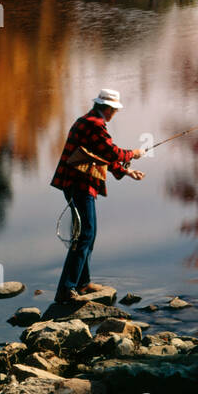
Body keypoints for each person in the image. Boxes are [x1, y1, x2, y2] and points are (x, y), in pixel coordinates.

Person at [50, 89, 145, 305]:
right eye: (114, 110)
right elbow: (112, 152)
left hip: (77, 184)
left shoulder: (87, 121)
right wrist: (133, 154)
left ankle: (83, 283)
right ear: (108, 109)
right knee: (85, 235)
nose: (115, 114)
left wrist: (126, 171)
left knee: (87, 234)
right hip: (79, 185)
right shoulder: (94, 124)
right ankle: (66, 289)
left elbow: (99, 154)